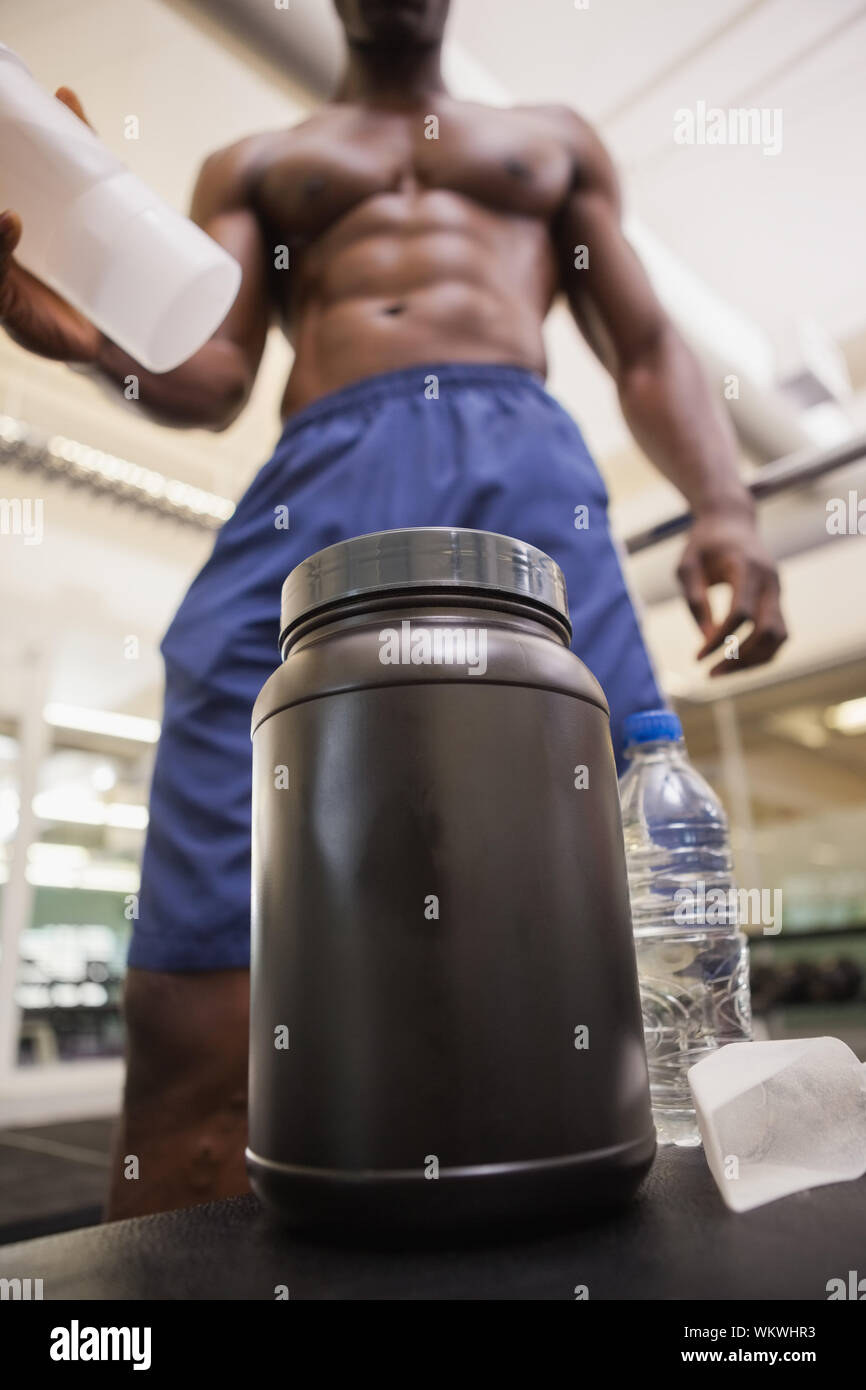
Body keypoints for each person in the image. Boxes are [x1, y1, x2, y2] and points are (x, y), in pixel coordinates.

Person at [0, 0, 786, 1218]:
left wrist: (723, 503)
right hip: (317, 466)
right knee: (212, 812)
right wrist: (92, 342)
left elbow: (639, 343)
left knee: (624, 903)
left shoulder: (549, 138)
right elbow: (208, 373)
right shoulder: (257, 163)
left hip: (521, 460)